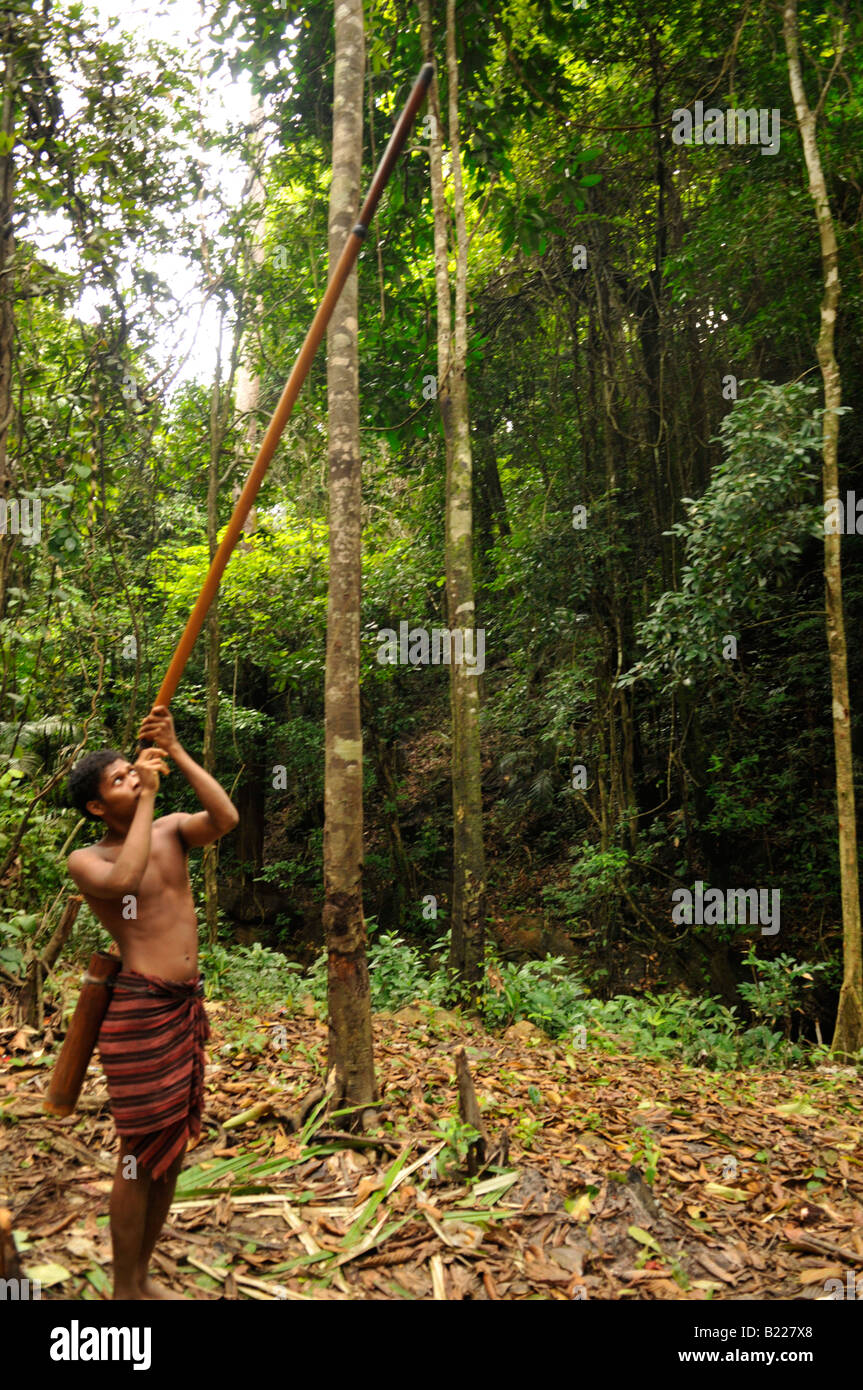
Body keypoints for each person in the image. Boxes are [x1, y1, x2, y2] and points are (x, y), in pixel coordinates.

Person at [65, 706, 238, 1300]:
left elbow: (226, 816)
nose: (133, 780)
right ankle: (123, 1289)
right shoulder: (89, 860)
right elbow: (125, 882)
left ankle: (141, 1275)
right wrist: (146, 803)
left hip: (184, 1007)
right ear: (95, 807)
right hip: (139, 1011)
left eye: (130, 772)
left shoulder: (170, 830)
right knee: (138, 1155)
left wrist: (177, 752)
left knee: (170, 1150)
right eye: (118, 780)